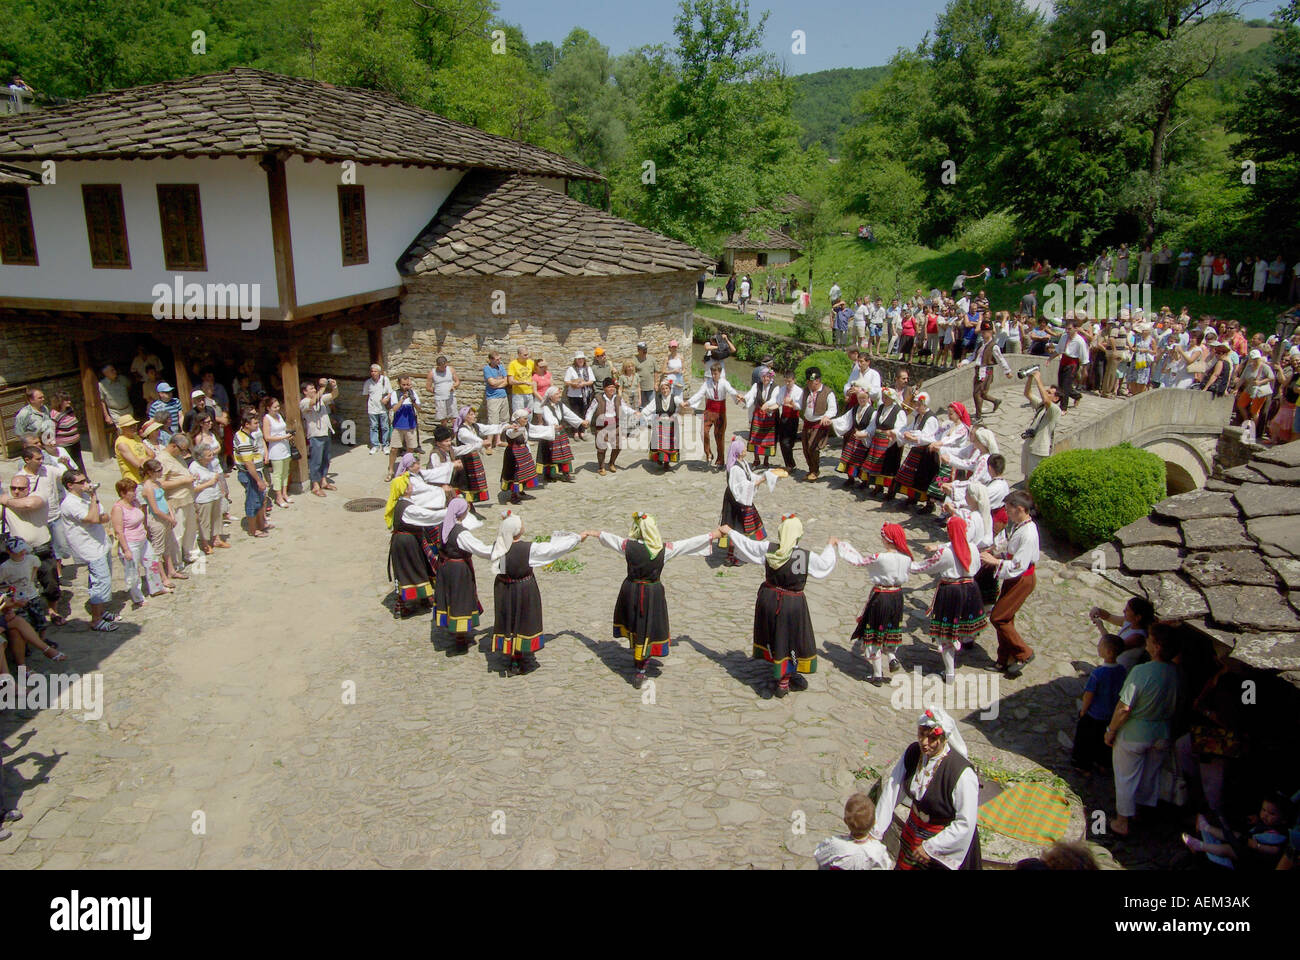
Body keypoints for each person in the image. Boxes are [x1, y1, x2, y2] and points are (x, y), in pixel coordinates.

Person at [591, 513, 716, 687]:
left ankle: (638, 659)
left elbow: (612, 540)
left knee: (636, 625)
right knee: (648, 628)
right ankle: (640, 670)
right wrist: (712, 535)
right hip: (651, 594)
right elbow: (687, 544)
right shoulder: (663, 550)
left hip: (631, 590)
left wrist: (595, 533)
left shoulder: (628, 546)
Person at [720, 514, 838, 697]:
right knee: (790, 638)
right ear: (798, 535)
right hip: (792, 603)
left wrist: (730, 532)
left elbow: (748, 545)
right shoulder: (805, 556)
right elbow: (824, 565)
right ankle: (784, 681)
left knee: (776, 634)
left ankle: (783, 669)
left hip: (768, 599)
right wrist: (830, 545)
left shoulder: (769, 549)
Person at [873, 707, 982, 870]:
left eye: (932, 738)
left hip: (942, 843)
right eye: (921, 735)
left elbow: (966, 822)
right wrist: (875, 832)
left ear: (944, 739)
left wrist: (931, 847)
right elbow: (892, 790)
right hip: (913, 834)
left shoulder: (961, 773)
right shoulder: (913, 754)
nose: (924, 742)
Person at [1105, 622, 1182, 837]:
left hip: (1135, 732)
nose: (1146, 641)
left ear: (1157, 647)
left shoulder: (1141, 671)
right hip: (1161, 733)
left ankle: (1122, 822)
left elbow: (1124, 708)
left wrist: (1111, 729)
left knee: (1126, 778)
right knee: (1149, 776)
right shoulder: (1176, 673)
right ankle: (1139, 812)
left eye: (1150, 639)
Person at [489, 513, 589, 674]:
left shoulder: (497, 546)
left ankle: (513, 655)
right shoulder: (529, 549)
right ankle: (517, 657)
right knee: (523, 621)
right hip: (523, 589)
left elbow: (480, 550)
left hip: (504, 589)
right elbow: (553, 549)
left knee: (509, 619)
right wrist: (576, 538)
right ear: (517, 531)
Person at [910, 515, 985, 684]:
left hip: (951, 592)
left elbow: (927, 566)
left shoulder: (946, 553)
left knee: (947, 634)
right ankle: (964, 641)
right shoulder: (973, 548)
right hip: (970, 589)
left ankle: (949, 672)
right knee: (962, 626)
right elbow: (977, 566)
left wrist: (907, 565)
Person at [839, 523, 913, 683]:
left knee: (875, 633)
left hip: (882, 597)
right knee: (890, 629)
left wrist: (843, 546)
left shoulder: (880, 557)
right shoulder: (906, 559)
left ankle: (877, 675)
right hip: (897, 596)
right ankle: (892, 657)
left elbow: (859, 561)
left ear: (887, 539)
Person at [978, 489, 1039, 677]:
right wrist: (995, 554)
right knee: (1006, 617)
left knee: (998, 617)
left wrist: (995, 562)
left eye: (1008, 509)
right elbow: (1010, 550)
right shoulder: (1019, 526)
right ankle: (1004, 659)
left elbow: (1019, 564)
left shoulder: (1028, 533)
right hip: (1014, 578)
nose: (1006, 513)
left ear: (1019, 509)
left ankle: (1024, 652)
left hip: (1022, 579)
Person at [58, 471, 117, 631]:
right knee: (100, 582)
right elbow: (92, 518)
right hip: (90, 548)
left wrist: (95, 511)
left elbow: (104, 516)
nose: (86, 484)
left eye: (86, 480)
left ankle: (101, 612)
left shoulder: (85, 497)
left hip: (100, 543)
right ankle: (96, 620)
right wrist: (93, 498)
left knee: (103, 579)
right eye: (82, 482)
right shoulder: (70, 503)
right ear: (70, 485)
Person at [433, 497, 492, 652]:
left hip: (445, 568)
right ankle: (460, 637)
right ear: (462, 513)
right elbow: (480, 549)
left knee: (450, 597)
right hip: (458, 570)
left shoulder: (443, 526)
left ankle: (452, 627)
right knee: (460, 600)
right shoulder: (461, 534)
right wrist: (499, 549)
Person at [1072, 634, 1127, 774]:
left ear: (1108, 652)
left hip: (1094, 714)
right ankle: (1103, 764)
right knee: (1104, 742)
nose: (1098, 647)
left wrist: (1083, 710)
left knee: (1085, 741)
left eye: (1100, 646)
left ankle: (1083, 766)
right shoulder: (1122, 671)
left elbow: (1089, 694)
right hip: (1110, 715)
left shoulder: (1098, 673)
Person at [110, 478, 165, 604]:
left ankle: (156, 588)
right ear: (123, 493)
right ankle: (137, 597)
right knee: (133, 571)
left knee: (152, 562)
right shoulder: (118, 508)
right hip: (130, 543)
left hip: (142, 539)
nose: (134, 493)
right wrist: (126, 550)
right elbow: (119, 531)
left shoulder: (135, 503)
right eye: (131, 491)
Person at [718, 436, 766, 567]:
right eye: (744, 449)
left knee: (742, 527)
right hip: (735, 502)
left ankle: (741, 553)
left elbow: (750, 476)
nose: (746, 450)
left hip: (741, 499)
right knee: (735, 526)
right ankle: (732, 556)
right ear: (738, 452)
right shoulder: (735, 469)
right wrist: (758, 482)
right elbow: (741, 487)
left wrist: (762, 477)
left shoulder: (743, 463)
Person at [814, 794, 892, 870]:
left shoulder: (836, 845)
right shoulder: (877, 850)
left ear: (845, 821)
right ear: (874, 823)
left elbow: (819, 855)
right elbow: (886, 865)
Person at [889, 391, 941, 505]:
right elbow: (909, 428)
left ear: (924, 405)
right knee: (910, 475)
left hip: (927, 453)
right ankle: (912, 497)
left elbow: (929, 436)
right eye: (916, 404)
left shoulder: (931, 419)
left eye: (918, 405)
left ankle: (928, 503)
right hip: (917, 450)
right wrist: (899, 433)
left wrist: (913, 437)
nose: (916, 407)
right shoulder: (918, 416)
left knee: (925, 477)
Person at [140, 458, 186, 585]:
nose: (161, 472)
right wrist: (169, 518)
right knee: (158, 550)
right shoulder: (148, 487)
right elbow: (155, 509)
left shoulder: (157, 483)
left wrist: (171, 514)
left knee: (167, 546)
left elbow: (164, 500)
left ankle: (171, 570)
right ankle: (163, 577)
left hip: (166, 517)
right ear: (150, 472)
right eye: (158, 470)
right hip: (157, 520)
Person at [687, 363, 742, 467]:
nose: (713, 376)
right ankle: (708, 453)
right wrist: (689, 402)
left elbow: (731, 390)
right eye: (712, 374)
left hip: (720, 411)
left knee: (719, 436)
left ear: (720, 373)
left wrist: (737, 395)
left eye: (715, 374)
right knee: (703, 431)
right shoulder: (707, 383)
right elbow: (699, 394)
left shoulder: (724, 383)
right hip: (708, 411)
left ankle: (720, 460)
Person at [156, 432, 199, 563]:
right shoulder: (162, 459)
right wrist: (183, 481)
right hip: (175, 499)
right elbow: (160, 484)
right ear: (174, 446)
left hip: (187, 498)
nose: (183, 453)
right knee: (178, 532)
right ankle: (176, 561)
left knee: (190, 529)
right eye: (182, 450)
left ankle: (191, 553)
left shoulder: (178, 457)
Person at [583, 378, 636, 476]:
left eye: (613, 387)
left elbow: (625, 408)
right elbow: (590, 410)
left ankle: (611, 463)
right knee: (601, 448)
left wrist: (634, 412)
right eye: (609, 387)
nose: (612, 389)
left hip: (615, 426)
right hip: (602, 426)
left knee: (618, 446)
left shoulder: (618, 398)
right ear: (604, 388)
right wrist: (587, 420)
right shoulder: (598, 398)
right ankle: (601, 467)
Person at [964, 320, 1013, 421]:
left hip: (986, 371)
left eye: (986, 331)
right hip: (979, 370)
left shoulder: (994, 346)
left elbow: (1000, 359)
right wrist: (964, 362)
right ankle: (995, 401)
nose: (984, 333)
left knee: (977, 393)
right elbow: (973, 356)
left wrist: (1007, 371)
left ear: (991, 332)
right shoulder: (980, 344)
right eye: (982, 331)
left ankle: (978, 416)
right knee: (982, 393)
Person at [1090, 595, 1155, 670]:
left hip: (1118, 671)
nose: (1124, 611)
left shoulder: (1138, 637)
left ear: (1138, 617)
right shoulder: (1130, 622)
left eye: (1127, 610)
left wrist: (1101, 627)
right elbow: (1109, 617)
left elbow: (1110, 648)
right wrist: (1098, 611)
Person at [232, 410, 270, 538]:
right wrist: (259, 480)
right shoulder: (243, 439)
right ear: (247, 424)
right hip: (249, 474)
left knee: (259, 499)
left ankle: (261, 524)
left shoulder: (247, 435)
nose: (258, 425)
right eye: (255, 423)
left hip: (254, 473)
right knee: (252, 501)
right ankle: (253, 530)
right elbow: (248, 463)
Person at [1020, 369, 1061, 481]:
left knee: (1034, 479)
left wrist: (1038, 379)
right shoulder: (1042, 405)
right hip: (1030, 445)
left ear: (1056, 398)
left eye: (1049, 392)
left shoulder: (1055, 410)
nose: (1046, 393)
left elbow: (1047, 401)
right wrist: (1030, 378)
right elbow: (1027, 393)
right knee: (1026, 477)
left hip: (1039, 449)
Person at [534, 387, 582, 482]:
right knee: (549, 455)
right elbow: (549, 418)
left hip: (560, 433)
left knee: (565, 454)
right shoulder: (545, 407)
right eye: (557, 394)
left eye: (559, 394)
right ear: (551, 396)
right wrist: (554, 425)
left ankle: (566, 474)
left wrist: (581, 421)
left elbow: (569, 414)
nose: (559, 396)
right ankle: (549, 475)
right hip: (549, 434)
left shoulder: (560, 405)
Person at [300, 378, 338, 497]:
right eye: (311, 389)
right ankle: (315, 485)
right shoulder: (304, 402)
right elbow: (312, 402)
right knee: (316, 461)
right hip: (315, 435)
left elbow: (333, 395)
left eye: (314, 388)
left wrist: (334, 386)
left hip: (325, 432)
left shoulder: (320, 398)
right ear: (305, 391)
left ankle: (323, 481)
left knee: (326, 459)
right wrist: (322, 387)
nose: (313, 390)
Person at [831, 385, 876, 485]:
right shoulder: (855, 408)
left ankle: (864, 481)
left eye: (864, 398)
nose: (862, 400)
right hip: (854, 437)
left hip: (864, 439)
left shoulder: (872, 412)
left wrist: (864, 434)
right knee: (848, 457)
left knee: (862, 461)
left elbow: (872, 426)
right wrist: (832, 421)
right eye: (860, 398)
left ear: (868, 398)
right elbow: (845, 419)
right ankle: (850, 478)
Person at [798, 368, 837, 481]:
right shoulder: (806, 391)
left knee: (813, 447)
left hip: (819, 424)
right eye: (808, 382)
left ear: (818, 380)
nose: (809, 384)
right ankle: (811, 469)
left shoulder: (827, 392)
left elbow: (833, 409)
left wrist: (827, 416)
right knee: (806, 448)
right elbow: (799, 403)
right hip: (807, 423)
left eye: (811, 382)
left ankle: (815, 471)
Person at [188, 444, 228, 554]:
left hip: (215, 495)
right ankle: (205, 543)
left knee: (217, 518)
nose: (212, 457)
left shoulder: (211, 464)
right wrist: (209, 483)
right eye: (209, 455)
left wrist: (221, 488)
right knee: (204, 522)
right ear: (200, 457)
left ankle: (216, 539)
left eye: (211, 454)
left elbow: (217, 476)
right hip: (203, 498)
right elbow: (193, 488)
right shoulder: (194, 467)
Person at [642, 377, 684, 470]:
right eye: (663, 389)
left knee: (670, 444)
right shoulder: (657, 399)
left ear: (670, 388)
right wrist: (646, 420)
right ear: (660, 390)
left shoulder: (674, 398)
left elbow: (681, 403)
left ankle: (666, 463)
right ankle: (659, 459)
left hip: (671, 425)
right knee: (659, 444)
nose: (665, 390)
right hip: (660, 425)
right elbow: (646, 410)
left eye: (666, 388)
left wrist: (681, 406)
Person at [742, 368, 781, 468]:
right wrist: (744, 398)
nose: (765, 378)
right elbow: (751, 394)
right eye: (763, 376)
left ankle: (766, 460)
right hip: (758, 415)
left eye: (767, 376)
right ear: (761, 377)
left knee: (768, 439)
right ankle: (756, 459)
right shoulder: (757, 385)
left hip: (769, 415)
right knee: (755, 438)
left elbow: (774, 399)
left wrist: (767, 404)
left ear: (771, 377)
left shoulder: (776, 387)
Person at [386, 376, 421, 482]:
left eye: (407, 384)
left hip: (410, 425)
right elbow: (394, 409)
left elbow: (419, 409)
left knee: (410, 449)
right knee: (394, 449)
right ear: (399, 384)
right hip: (398, 425)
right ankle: (391, 470)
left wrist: (413, 401)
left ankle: (406, 469)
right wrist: (402, 399)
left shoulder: (413, 393)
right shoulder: (395, 394)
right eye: (403, 385)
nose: (406, 387)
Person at [500, 408, 539, 504]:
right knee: (515, 474)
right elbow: (511, 434)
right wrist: (515, 430)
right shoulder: (511, 428)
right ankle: (513, 495)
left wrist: (551, 428)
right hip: (513, 455)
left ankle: (520, 492)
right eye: (524, 418)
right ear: (518, 419)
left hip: (523, 452)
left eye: (527, 418)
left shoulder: (525, 426)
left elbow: (535, 431)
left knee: (523, 473)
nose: (526, 420)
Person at [451, 407, 491, 503]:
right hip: (464, 459)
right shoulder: (463, 430)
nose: (474, 416)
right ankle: (465, 504)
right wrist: (483, 443)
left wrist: (505, 426)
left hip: (474, 456)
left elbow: (489, 429)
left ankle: (470, 503)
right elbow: (472, 439)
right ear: (465, 417)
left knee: (474, 481)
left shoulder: (474, 427)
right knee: (464, 481)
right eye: (471, 414)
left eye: (474, 414)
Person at [261, 398, 295, 509]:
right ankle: (278, 497)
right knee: (277, 474)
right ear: (268, 408)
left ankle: (285, 494)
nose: (277, 409)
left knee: (285, 472)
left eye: (278, 406)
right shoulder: (267, 418)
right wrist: (283, 437)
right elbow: (267, 437)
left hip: (285, 447)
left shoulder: (279, 416)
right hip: (275, 449)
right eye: (274, 407)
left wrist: (288, 436)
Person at [1055, 319, 1088, 410]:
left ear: (1075, 329)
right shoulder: (1064, 337)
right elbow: (1058, 349)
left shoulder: (1080, 341)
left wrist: (1084, 370)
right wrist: (1050, 359)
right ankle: (1076, 395)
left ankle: (1063, 408)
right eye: (1066, 329)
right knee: (1061, 385)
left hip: (1072, 363)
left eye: (1069, 329)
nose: (1067, 331)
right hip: (1063, 360)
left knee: (1066, 385)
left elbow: (1084, 357)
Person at [563, 351, 596, 440]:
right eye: (578, 359)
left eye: (582, 359)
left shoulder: (588, 368)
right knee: (575, 413)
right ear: (576, 360)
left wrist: (583, 384)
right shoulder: (571, 369)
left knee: (584, 413)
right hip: (574, 395)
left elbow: (592, 381)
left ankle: (582, 431)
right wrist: (574, 383)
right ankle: (575, 432)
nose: (580, 360)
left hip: (585, 395)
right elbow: (566, 381)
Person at [481, 352, 508, 452]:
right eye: (497, 359)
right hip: (493, 398)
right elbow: (491, 382)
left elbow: (506, 381)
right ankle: (489, 444)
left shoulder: (501, 367)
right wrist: (500, 381)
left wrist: (497, 383)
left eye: (499, 359)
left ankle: (498, 441)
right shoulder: (487, 369)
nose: (499, 361)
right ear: (491, 360)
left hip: (503, 396)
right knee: (493, 421)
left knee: (502, 419)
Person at [426, 356, 460, 421]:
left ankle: (454, 427)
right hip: (439, 398)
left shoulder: (451, 370)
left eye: (444, 366)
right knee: (442, 418)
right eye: (441, 367)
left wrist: (454, 386)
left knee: (453, 416)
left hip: (451, 397)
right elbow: (428, 387)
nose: (443, 368)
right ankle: (444, 427)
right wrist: (436, 392)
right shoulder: (432, 373)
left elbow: (457, 381)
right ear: (437, 365)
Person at [506, 347, 535, 415]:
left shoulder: (530, 362)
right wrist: (523, 382)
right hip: (518, 394)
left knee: (529, 415)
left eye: (527, 354)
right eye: (525, 355)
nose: (527, 356)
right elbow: (510, 381)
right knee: (519, 415)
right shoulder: (513, 364)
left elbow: (535, 374)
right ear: (519, 354)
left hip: (529, 393)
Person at [633, 343, 657, 409]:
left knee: (653, 405)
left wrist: (656, 384)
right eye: (643, 350)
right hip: (640, 388)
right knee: (641, 406)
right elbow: (633, 374)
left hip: (650, 386)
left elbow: (656, 371)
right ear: (638, 350)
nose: (645, 351)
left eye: (645, 349)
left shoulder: (651, 358)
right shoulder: (634, 359)